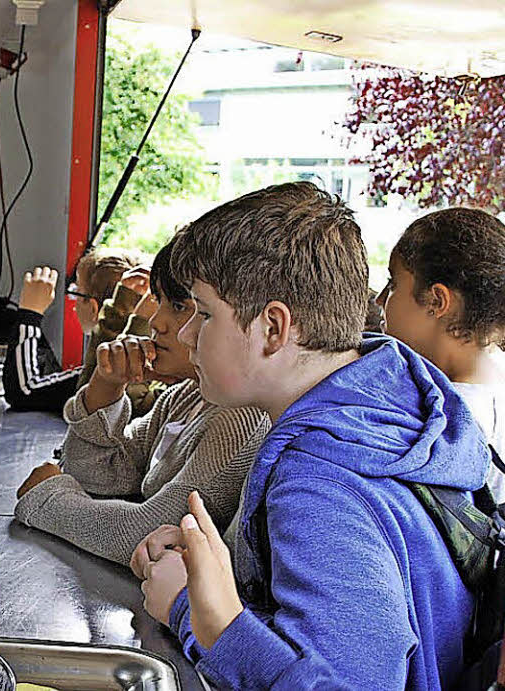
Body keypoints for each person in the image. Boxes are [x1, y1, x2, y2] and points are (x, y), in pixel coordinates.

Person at [134, 182, 488, 690]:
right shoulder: (376, 411)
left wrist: (197, 616)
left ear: (274, 329)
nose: (187, 333)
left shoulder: (322, 484)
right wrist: (222, 577)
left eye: (204, 313)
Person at [13, 240, 270, 565]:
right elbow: (97, 477)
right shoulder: (185, 396)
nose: (156, 322)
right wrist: (106, 386)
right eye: (159, 302)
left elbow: (152, 535)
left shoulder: (243, 417)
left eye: (180, 306)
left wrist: (49, 499)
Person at [377, 207, 505, 499]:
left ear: (437, 300)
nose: (380, 299)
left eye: (393, 283)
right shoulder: (495, 379)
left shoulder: (445, 429)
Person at [4, 248, 161, 415]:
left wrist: (30, 313)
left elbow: (24, 391)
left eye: (76, 292)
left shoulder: (99, 378)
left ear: (94, 308)